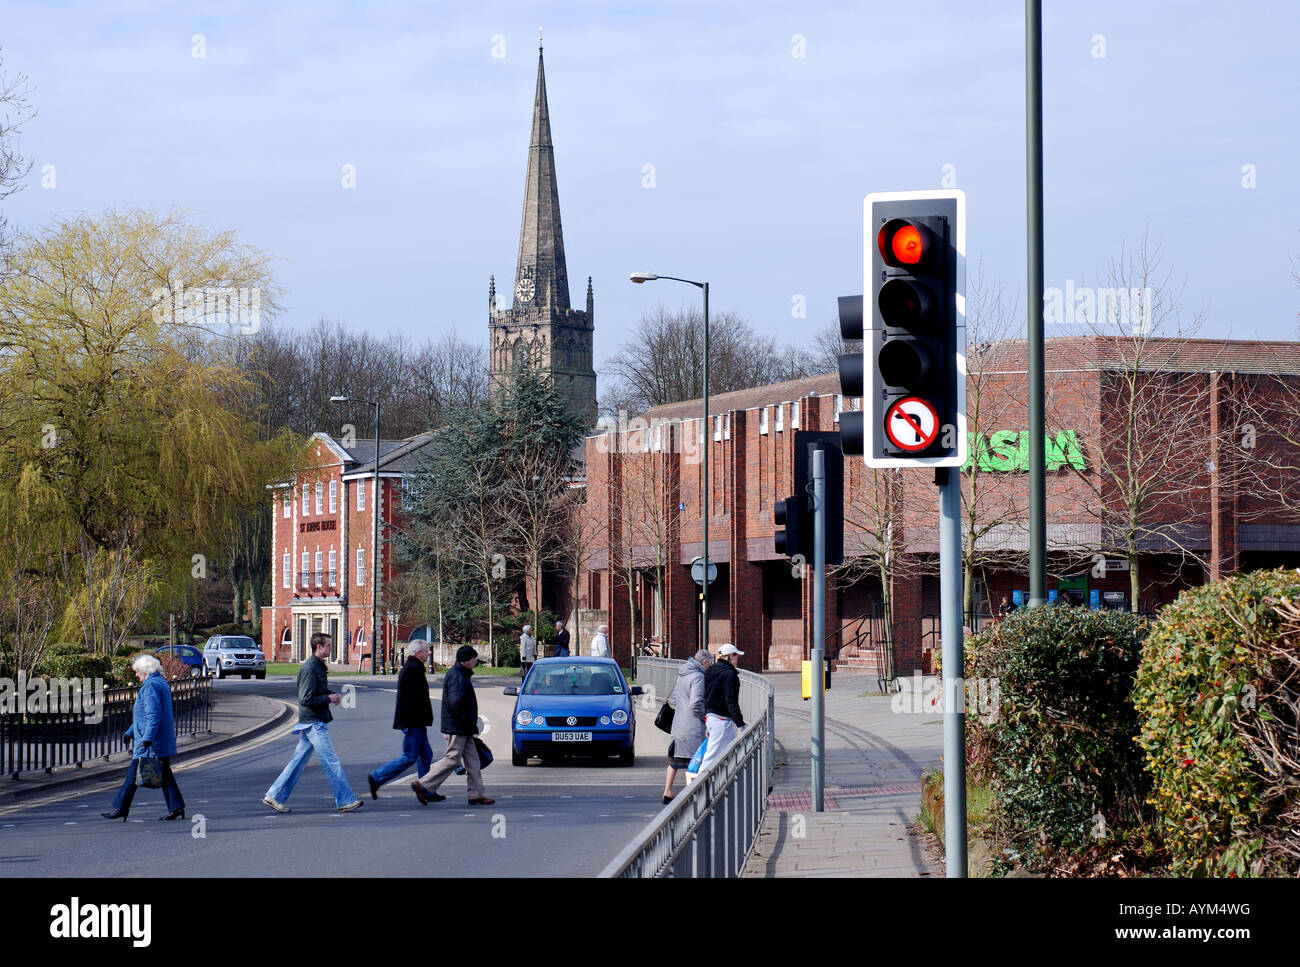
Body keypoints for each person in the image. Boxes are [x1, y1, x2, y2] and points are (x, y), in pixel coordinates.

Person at [262, 632, 364, 813]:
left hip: (313, 720)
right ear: (319, 647)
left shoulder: (317, 666)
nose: (331, 648)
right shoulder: (310, 668)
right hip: (313, 721)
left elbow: (317, 691)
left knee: (297, 762)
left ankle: (274, 795)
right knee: (331, 761)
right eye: (329, 645)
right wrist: (328, 698)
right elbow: (305, 698)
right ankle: (345, 800)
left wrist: (330, 695)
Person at [102, 654, 186, 821]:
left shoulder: (151, 686)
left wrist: (147, 738)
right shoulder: (159, 682)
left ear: (145, 671)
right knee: (164, 774)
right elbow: (144, 716)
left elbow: (153, 715)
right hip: (157, 739)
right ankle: (176, 807)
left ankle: (120, 808)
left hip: (151, 742)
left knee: (133, 775)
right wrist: (130, 732)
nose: (136, 675)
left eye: (137, 671)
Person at [411, 645, 494, 806]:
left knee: (473, 762)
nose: (476, 662)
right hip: (458, 728)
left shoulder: (460, 674)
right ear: (467, 661)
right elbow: (456, 704)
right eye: (474, 659)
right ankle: (423, 784)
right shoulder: (457, 676)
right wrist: (467, 722)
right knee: (452, 759)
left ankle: (476, 794)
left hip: (464, 728)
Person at [365, 639, 434, 799]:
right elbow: (411, 700)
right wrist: (416, 721)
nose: (428, 654)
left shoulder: (414, 668)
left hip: (417, 721)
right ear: (418, 653)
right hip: (413, 721)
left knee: (426, 755)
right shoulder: (412, 670)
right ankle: (377, 777)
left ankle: (426, 789)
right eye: (426, 651)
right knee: (410, 756)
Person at [661, 648, 713, 804]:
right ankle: (693, 796)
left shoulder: (683, 674)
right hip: (692, 727)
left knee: (675, 761)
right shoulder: (698, 677)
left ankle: (667, 791)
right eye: (710, 664)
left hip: (679, 724)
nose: (710, 668)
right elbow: (696, 703)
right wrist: (705, 718)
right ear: (704, 662)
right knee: (696, 761)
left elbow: (676, 698)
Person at [697, 644, 746, 776]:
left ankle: (731, 780)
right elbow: (731, 701)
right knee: (710, 757)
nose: (737, 659)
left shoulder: (711, 671)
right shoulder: (729, 675)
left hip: (713, 718)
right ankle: (697, 788)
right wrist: (740, 723)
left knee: (732, 753)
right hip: (721, 720)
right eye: (736, 656)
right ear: (730, 656)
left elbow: (706, 696)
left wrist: (707, 718)